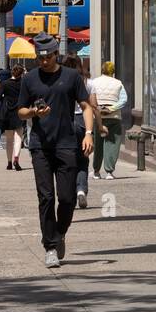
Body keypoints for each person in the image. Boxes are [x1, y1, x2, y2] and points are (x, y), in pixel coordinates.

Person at [18, 34, 93, 268]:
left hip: (67, 144)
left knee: (67, 198)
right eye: (39, 57)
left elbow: (85, 105)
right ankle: (50, 246)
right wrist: (33, 113)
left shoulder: (71, 77)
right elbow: (20, 111)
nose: (44, 61)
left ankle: (59, 233)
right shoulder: (29, 79)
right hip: (40, 145)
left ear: (56, 54)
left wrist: (89, 133)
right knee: (46, 197)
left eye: (48, 57)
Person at [62, 54, 97, 209]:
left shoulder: (61, 81)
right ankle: (81, 190)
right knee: (83, 160)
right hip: (83, 123)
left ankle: (68, 191)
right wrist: (98, 126)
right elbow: (93, 106)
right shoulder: (88, 82)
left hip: (66, 123)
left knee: (66, 159)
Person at [90, 61, 128, 180]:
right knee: (112, 143)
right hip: (114, 117)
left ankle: (96, 171)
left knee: (98, 144)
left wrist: (99, 110)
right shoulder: (118, 83)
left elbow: (91, 100)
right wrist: (111, 108)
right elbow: (123, 100)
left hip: (98, 116)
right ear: (113, 72)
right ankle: (109, 172)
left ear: (102, 70)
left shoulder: (94, 82)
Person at [1, 64, 25, 170]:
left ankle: (9, 162)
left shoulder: (5, 83)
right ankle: (16, 158)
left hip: (7, 112)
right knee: (18, 137)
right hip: (19, 111)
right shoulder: (23, 84)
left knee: (9, 139)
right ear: (21, 73)